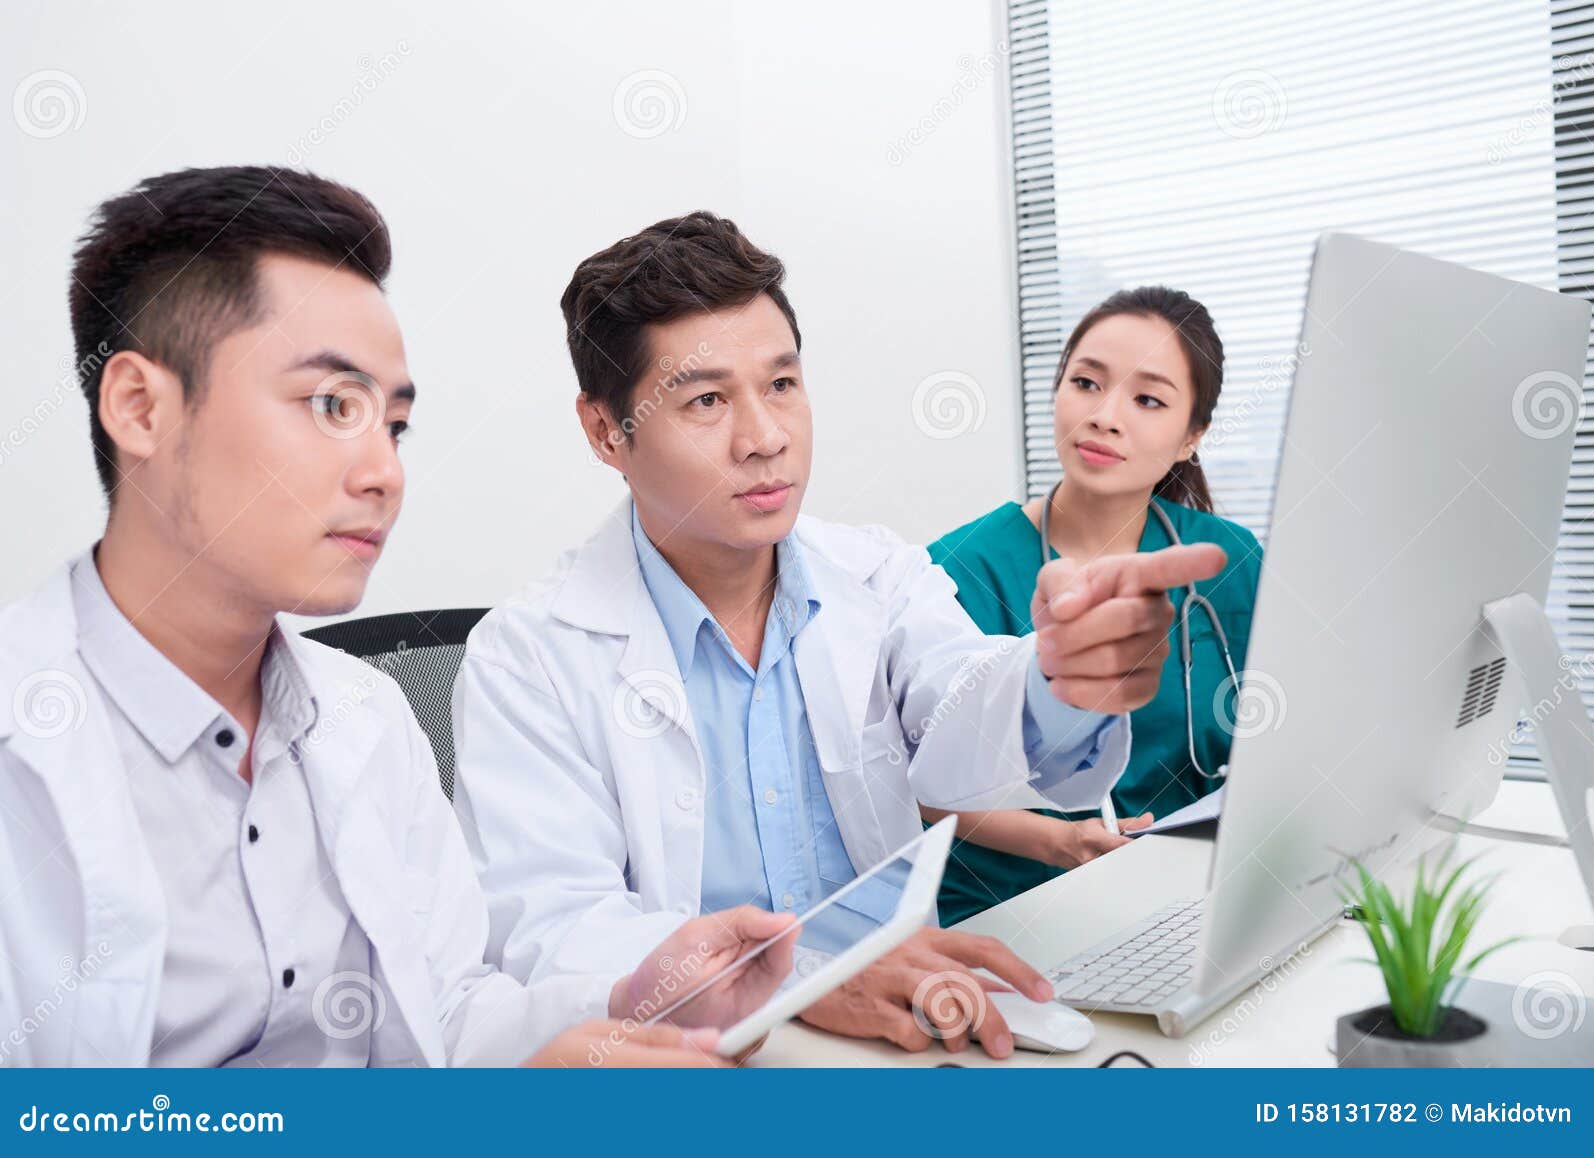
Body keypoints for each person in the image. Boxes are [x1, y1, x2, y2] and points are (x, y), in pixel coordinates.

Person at [0, 167, 795, 1068]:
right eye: (332, 406)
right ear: (141, 407)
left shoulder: (364, 717)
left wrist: (624, 1008)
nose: (384, 472)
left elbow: (446, 1012)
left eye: (394, 424)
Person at [450, 213, 1227, 1059]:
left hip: (907, 1042)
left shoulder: (876, 577)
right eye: (707, 400)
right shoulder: (527, 657)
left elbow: (964, 709)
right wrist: (807, 977)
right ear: (608, 432)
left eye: (781, 385)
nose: (765, 438)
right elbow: (553, 931)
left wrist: (1058, 682)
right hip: (697, 1065)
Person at [923, 287, 1265, 925]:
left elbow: (1275, 740)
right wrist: (1060, 842)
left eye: (1147, 400)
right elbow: (910, 782)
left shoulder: (1227, 560)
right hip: (1006, 908)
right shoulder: (959, 569)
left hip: (1181, 896)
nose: (1106, 416)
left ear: (1192, 436)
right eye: (1086, 383)